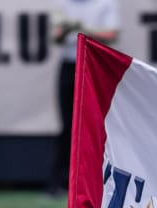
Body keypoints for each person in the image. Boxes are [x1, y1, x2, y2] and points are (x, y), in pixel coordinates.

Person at [48, 0, 119, 196]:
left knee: (96, 126)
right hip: (70, 65)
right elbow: (56, 37)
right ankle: (60, 181)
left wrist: (83, 30)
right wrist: (64, 30)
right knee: (68, 126)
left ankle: (99, 181)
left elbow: (112, 34)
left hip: (95, 64)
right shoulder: (63, 3)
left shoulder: (105, 3)